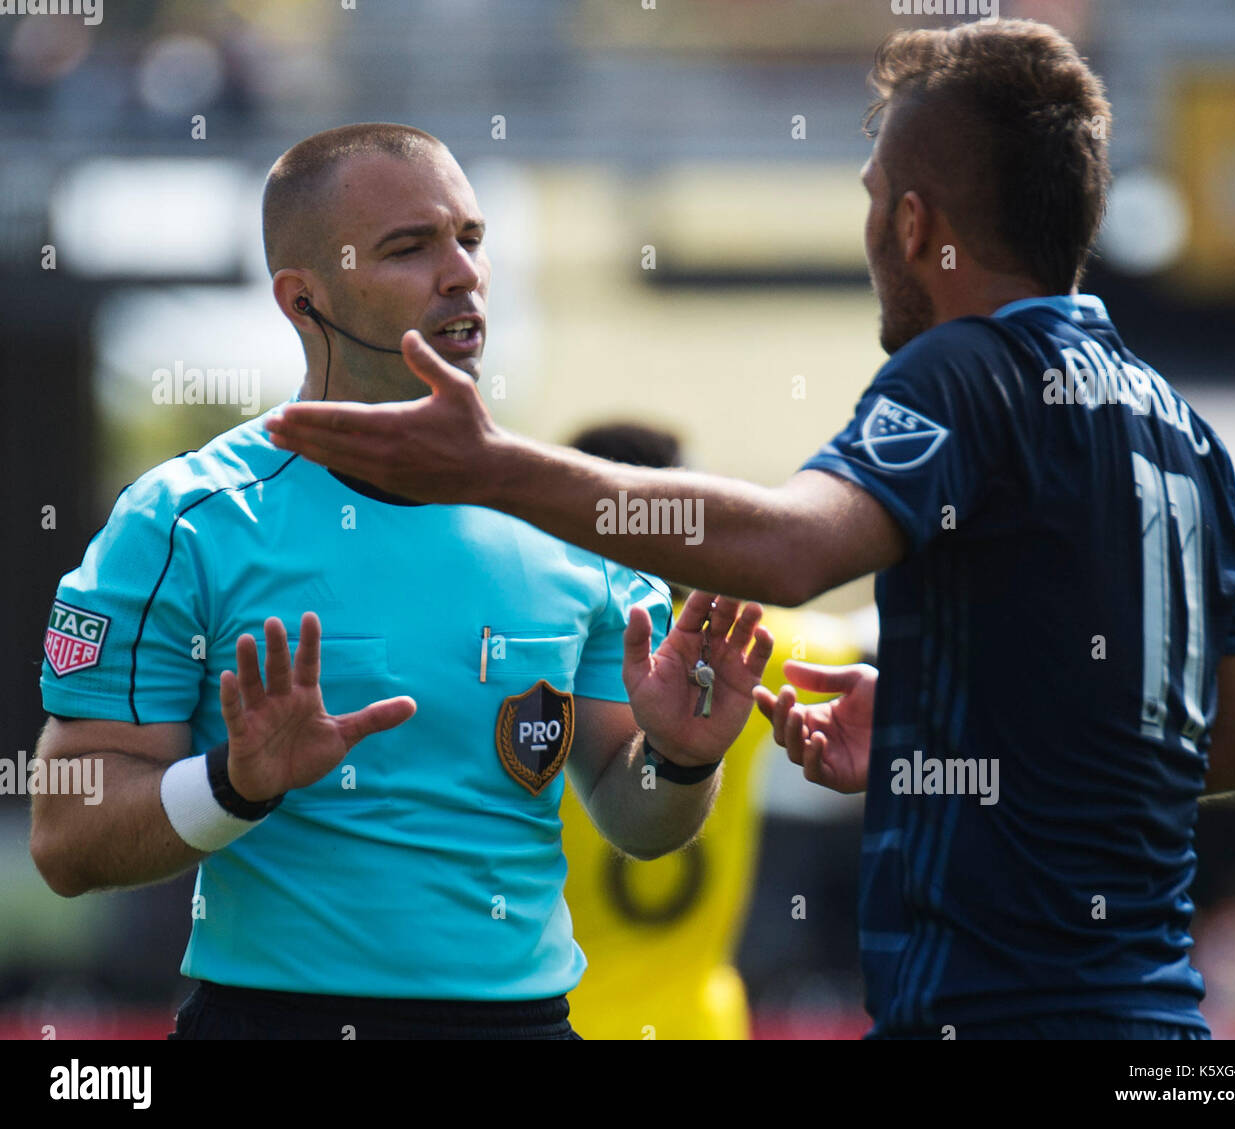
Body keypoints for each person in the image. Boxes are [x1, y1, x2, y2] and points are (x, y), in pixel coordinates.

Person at [265, 22, 1235, 1040]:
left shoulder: (967, 371)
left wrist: (493, 466)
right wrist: (947, 740)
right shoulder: (1181, 428)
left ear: (918, 224)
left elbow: (792, 548)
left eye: (875, 200)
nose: (872, 231)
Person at [29, 123, 773, 1041]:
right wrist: (235, 782)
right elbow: (65, 838)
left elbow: (635, 817)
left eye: (470, 237)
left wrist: (683, 758)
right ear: (305, 300)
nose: (460, 272)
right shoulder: (182, 520)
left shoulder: (575, 516)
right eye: (409, 248)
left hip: (524, 1026)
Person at [559, 423, 865, 1040]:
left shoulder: (530, 655)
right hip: (699, 1024)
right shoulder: (750, 650)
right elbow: (884, 646)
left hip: (561, 1019)